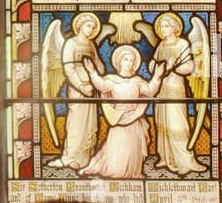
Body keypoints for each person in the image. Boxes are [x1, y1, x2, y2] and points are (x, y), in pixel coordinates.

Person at [79, 44, 161, 179]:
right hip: (118, 118)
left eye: (131, 60)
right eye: (125, 59)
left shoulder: (138, 81)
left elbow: (150, 91)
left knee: (133, 149)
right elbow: (101, 86)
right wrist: (92, 71)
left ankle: (133, 172)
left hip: (135, 119)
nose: (129, 63)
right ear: (119, 61)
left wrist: (157, 76)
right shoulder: (112, 80)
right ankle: (114, 171)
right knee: (117, 153)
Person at [44, 13, 103, 171]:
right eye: (88, 26)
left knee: (91, 124)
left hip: (92, 88)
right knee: (76, 123)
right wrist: (83, 87)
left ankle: (85, 158)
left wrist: (100, 78)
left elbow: (99, 65)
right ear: (80, 26)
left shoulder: (90, 45)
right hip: (78, 89)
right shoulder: (71, 43)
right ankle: (69, 157)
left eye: (93, 27)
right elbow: (69, 69)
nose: (91, 29)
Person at [150, 13, 206, 176]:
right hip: (161, 89)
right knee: (163, 123)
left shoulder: (182, 44)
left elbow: (189, 66)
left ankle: (185, 160)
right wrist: (156, 66)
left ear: (174, 28)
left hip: (175, 88)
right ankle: (166, 158)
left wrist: (174, 67)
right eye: (161, 26)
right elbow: (154, 62)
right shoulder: (161, 45)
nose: (162, 29)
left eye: (166, 26)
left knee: (177, 123)